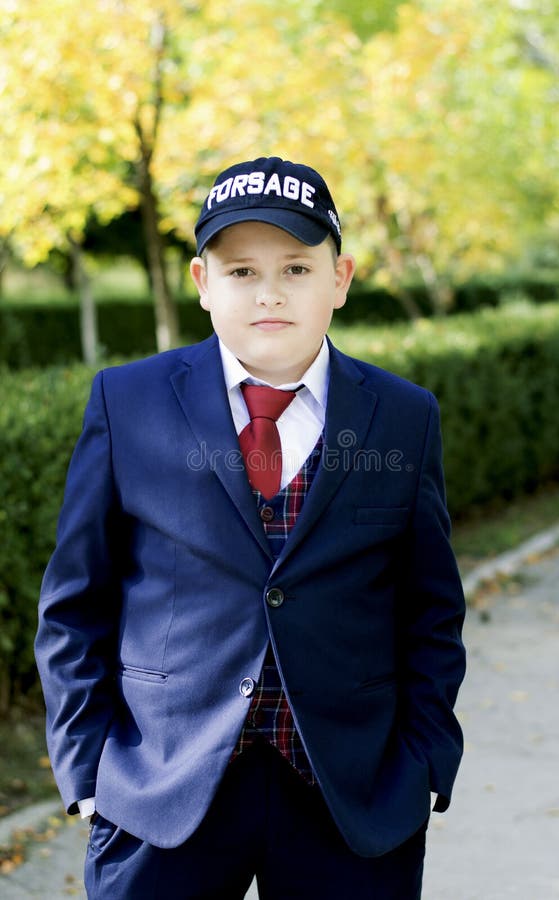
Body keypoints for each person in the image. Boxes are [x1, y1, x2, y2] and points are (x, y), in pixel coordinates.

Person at [35, 156, 466, 899]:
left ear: (341, 278)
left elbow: (430, 607)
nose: (269, 294)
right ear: (202, 284)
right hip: (162, 788)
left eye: (297, 269)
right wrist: (87, 771)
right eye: (240, 272)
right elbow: (75, 601)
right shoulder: (127, 402)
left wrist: (425, 760)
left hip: (350, 792)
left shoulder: (400, 415)